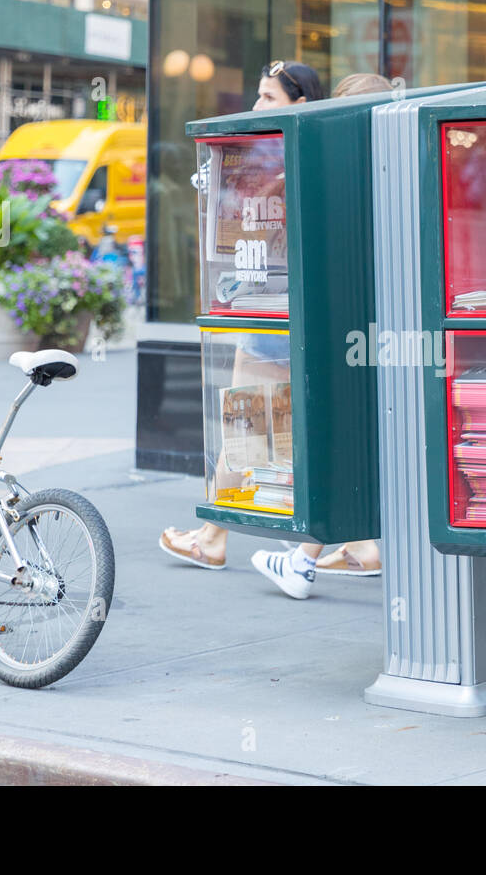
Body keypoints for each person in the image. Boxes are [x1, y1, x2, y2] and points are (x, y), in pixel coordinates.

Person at [158, 66, 385, 598]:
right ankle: (361, 543)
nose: (257, 105)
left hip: (275, 306)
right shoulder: (345, 147)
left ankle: (215, 537)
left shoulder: (281, 152)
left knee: (247, 419)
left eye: (268, 96)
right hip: (314, 309)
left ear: (300, 101)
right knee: (295, 421)